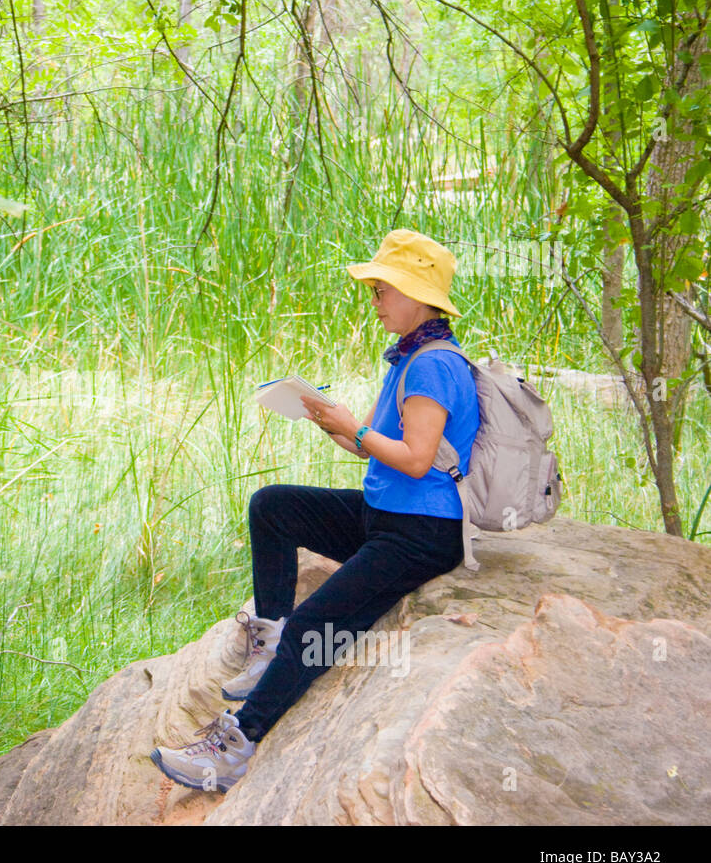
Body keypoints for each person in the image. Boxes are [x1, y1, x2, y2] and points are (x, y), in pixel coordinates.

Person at [151, 229, 480, 793]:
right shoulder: (411, 355)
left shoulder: (434, 366)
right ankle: (268, 637)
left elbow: (418, 459)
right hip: (385, 514)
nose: (374, 300)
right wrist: (331, 421)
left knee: (316, 627)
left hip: (421, 533)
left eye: (381, 290)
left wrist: (355, 427)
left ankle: (233, 748)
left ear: (416, 294)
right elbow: (378, 444)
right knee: (273, 506)